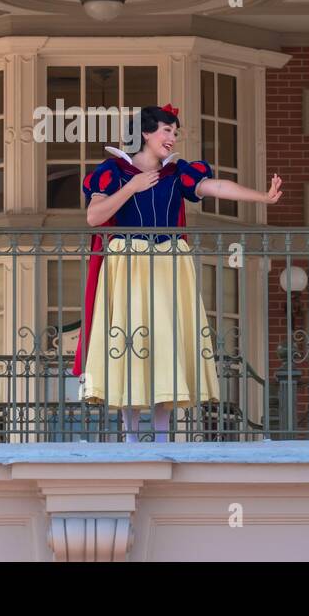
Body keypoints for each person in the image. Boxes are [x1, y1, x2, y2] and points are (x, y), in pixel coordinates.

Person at [76, 103, 282, 441]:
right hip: (128, 263)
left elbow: (217, 187)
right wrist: (132, 187)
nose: (172, 137)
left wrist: (262, 197)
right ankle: (130, 437)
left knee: (166, 343)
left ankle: (161, 436)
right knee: (128, 342)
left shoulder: (176, 172)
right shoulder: (114, 170)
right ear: (146, 133)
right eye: (166, 130)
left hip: (169, 263)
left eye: (175, 132)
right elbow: (94, 217)